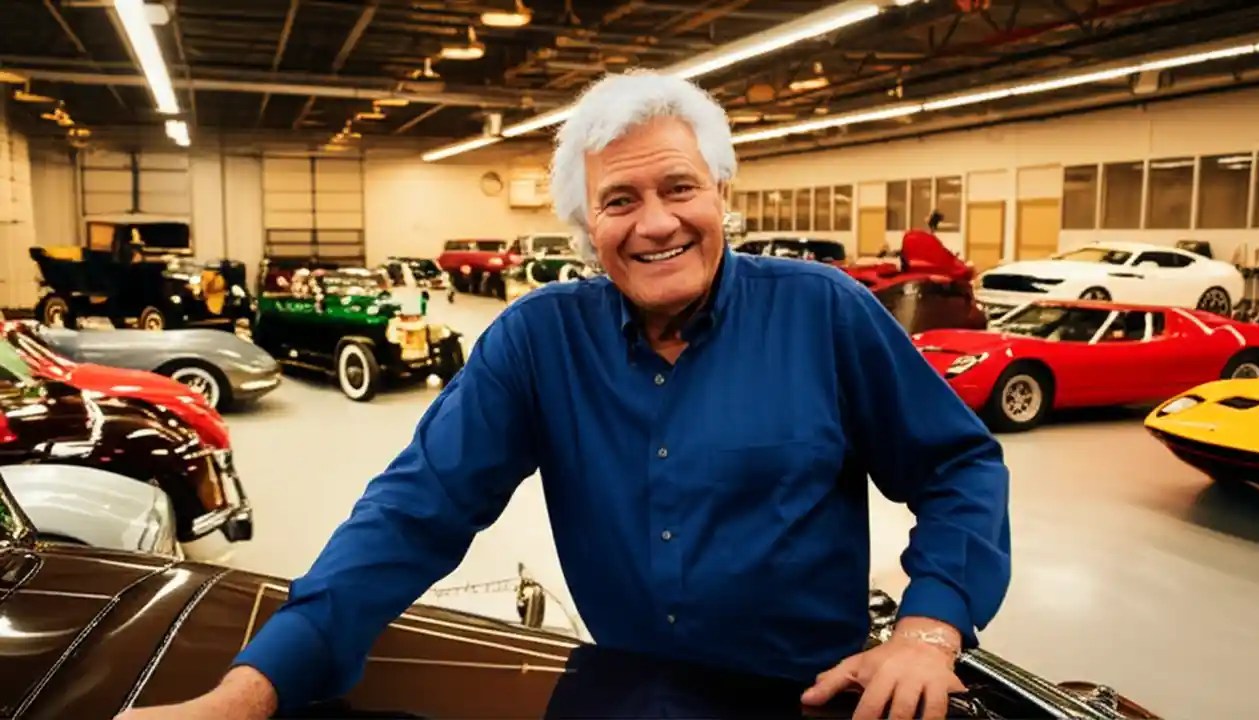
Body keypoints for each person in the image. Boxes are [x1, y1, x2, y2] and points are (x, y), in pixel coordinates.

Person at [119, 70, 1011, 720]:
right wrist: (255, 686)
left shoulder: (826, 315)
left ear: (722, 195)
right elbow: (413, 512)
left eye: (679, 188)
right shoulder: (538, 341)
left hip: (809, 699)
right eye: (619, 200)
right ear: (589, 232)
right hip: (616, 693)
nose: (655, 222)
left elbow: (957, 467)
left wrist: (929, 629)